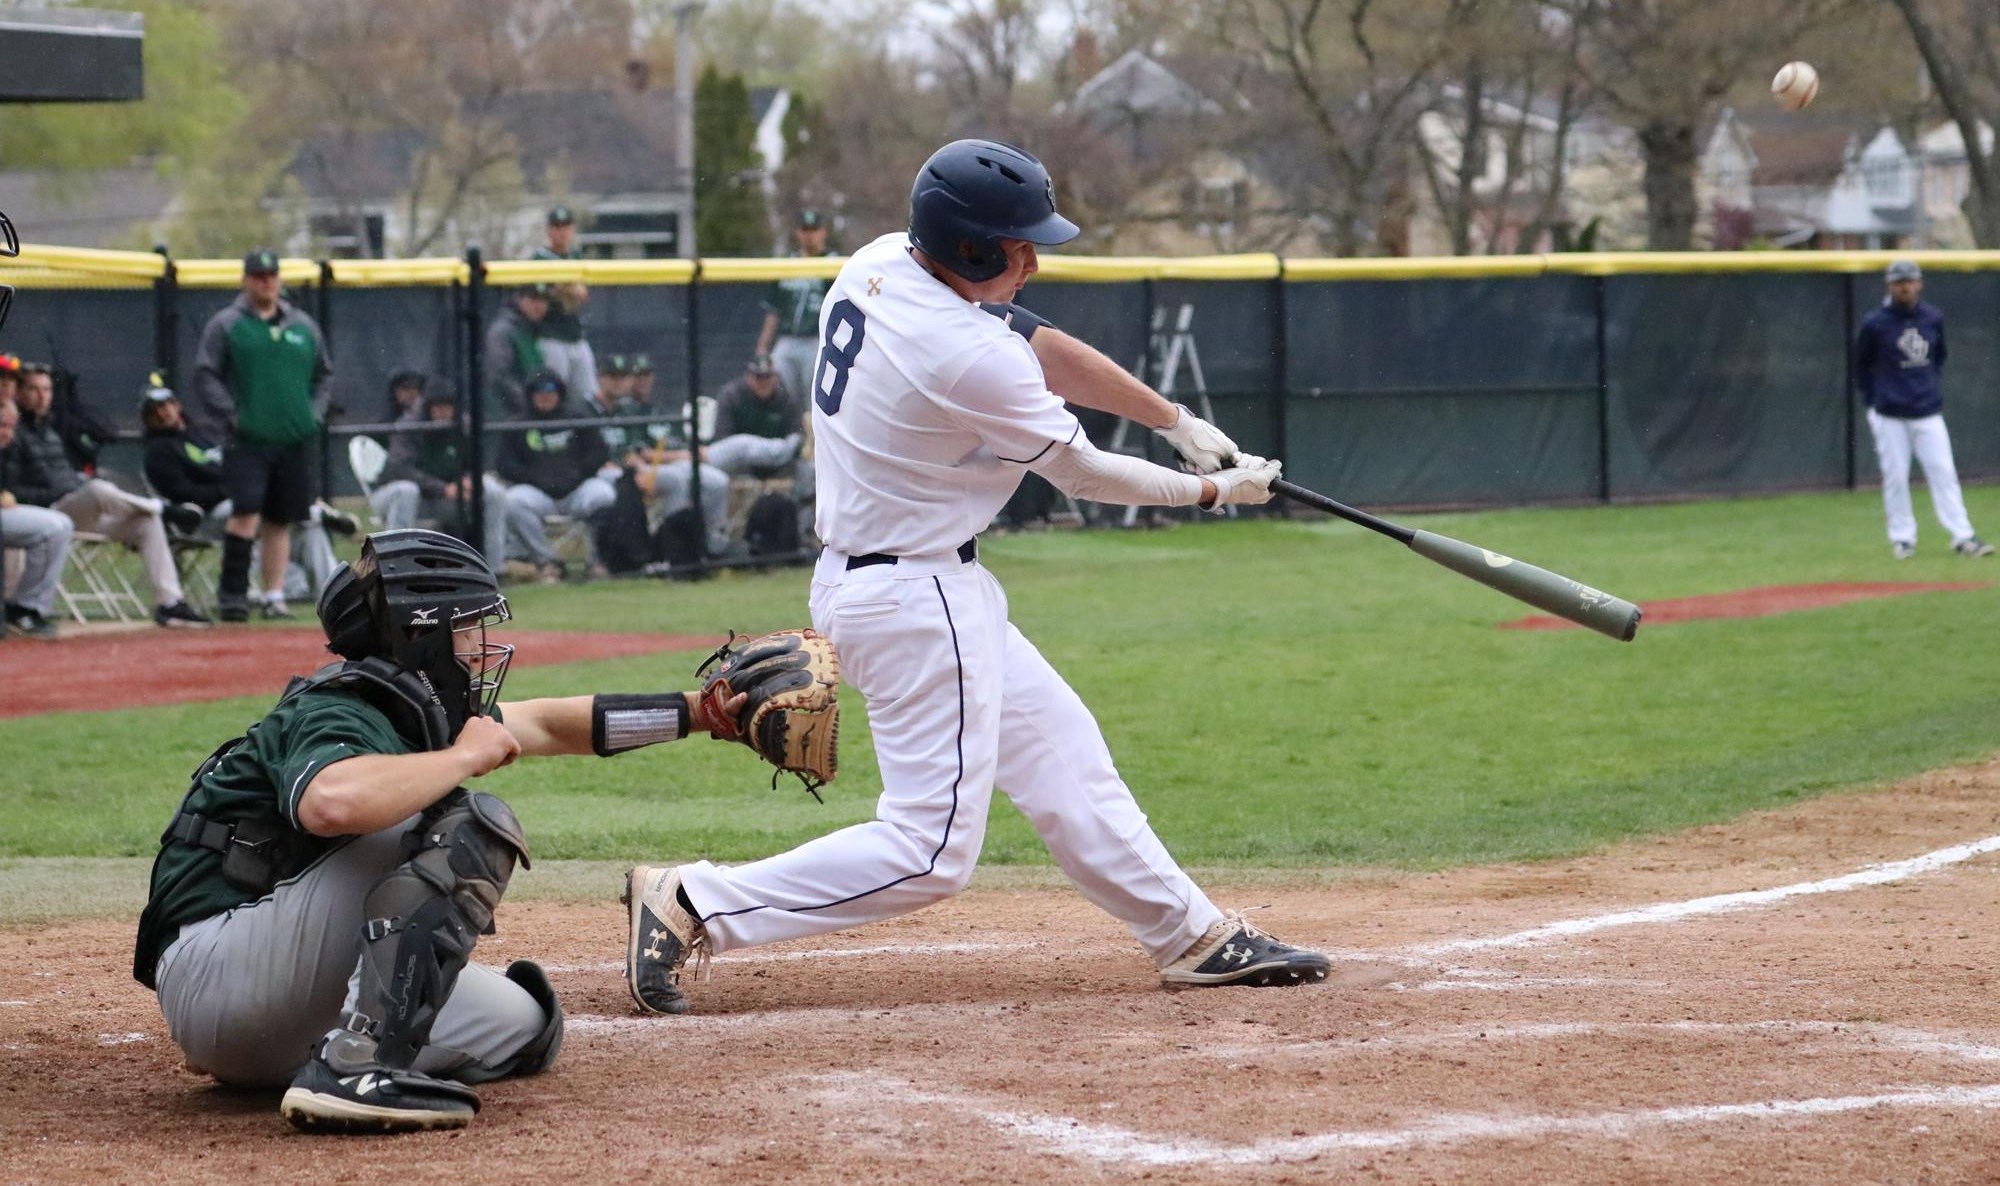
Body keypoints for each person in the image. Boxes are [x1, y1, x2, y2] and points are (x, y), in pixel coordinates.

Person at [622, 139, 1320, 1017]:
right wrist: (1216, 490)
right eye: (1017, 246)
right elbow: (1088, 476)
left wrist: (1173, 417)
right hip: (915, 598)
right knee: (930, 851)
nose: (1032, 261)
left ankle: (1192, 935)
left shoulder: (883, 259)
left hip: (907, 580)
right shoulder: (961, 354)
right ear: (970, 249)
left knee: (1066, 757)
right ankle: (693, 901)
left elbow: (1041, 345)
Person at [132, 528, 753, 1133]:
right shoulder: (337, 709)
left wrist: (708, 712)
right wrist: (463, 760)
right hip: (225, 967)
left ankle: (313, 1054)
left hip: (262, 1007)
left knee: (530, 1024)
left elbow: (548, 725)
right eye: (466, 627)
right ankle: (357, 1068)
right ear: (419, 634)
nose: (483, 646)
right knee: (469, 823)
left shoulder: (412, 710)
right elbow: (330, 802)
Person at [193, 248, 336, 621]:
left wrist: (312, 416)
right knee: (245, 513)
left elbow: (324, 375)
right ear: (246, 280)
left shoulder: (302, 326)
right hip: (247, 441)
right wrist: (232, 415)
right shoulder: (228, 324)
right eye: (258, 276)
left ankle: (275, 596)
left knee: (280, 519)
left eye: (271, 276)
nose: (266, 282)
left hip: (292, 438)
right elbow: (206, 374)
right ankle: (233, 596)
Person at [10, 366, 208, 628]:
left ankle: (170, 604)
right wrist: (65, 491)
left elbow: (103, 433)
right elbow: (13, 492)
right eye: (33, 389)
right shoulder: (11, 434)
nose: (42, 396)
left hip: (75, 513)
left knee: (145, 521)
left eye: (46, 389)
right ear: (19, 393)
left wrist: (75, 484)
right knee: (98, 490)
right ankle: (163, 508)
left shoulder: (51, 432)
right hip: (46, 514)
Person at [140, 381, 353, 601]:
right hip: (204, 517)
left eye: (165, 405)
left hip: (241, 502)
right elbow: (183, 492)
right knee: (255, 508)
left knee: (309, 525)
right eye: (153, 411)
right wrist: (230, 490)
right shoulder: (158, 453)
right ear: (146, 419)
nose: (162, 413)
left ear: (177, 405)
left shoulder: (205, 433)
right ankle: (314, 515)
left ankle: (335, 593)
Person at [1856, 260, 1992, 559]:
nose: (1904, 286)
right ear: (1889, 285)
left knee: (1944, 472)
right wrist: (1875, 402)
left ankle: (1963, 535)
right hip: (1889, 414)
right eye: (1898, 281)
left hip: (1927, 411)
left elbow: (1938, 358)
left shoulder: (1932, 318)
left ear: (1919, 283)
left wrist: (1926, 390)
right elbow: (1861, 366)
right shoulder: (1875, 323)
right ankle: (1903, 539)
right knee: (1896, 477)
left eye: (1909, 281)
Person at [495, 372, 615, 581]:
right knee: (513, 501)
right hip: (538, 492)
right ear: (530, 395)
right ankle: (546, 561)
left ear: (559, 393)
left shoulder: (577, 418)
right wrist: (535, 478)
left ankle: (597, 561)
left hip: (577, 489)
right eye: (539, 392)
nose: (545, 396)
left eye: (551, 391)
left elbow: (599, 452)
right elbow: (505, 465)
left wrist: (577, 473)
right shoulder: (517, 424)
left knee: (604, 495)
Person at [370, 387, 508, 564]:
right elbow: (400, 469)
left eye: (448, 407)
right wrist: (442, 488)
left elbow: (474, 461)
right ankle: (395, 566)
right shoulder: (409, 426)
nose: (443, 412)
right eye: (438, 407)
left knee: (493, 491)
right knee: (407, 490)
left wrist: (468, 478)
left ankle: (492, 567)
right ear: (428, 407)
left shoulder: (463, 425)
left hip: (447, 500)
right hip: (396, 497)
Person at [0, 399, 74, 640]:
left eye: (11, 426)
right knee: (52, 528)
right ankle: (24, 608)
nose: (7, 433)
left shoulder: (6, 448)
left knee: (60, 524)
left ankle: (26, 608)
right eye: (2, 425)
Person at [755, 209, 837, 407]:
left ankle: (812, 434)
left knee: (816, 393)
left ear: (823, 232)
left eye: (814, 230)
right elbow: (774, 310)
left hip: (817, 340)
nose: (810, 235)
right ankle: (794, 433)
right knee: (783, 392)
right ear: (798, 233)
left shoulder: (833, 264)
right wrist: (763, 346)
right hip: (787, 339)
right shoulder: (787, 264)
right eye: (805, 230)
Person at [708, 353, 809, 494]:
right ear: (748, 377)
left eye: (767, 377)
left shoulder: (785, 398)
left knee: (808, 471)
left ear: (775, 377)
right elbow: (723, 441)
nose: (763, 382)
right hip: (742, 465)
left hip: (778, 465)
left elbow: (797, 438)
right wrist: (752, 449)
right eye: (758, 377)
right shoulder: (732, 395)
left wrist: (774, 453)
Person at [531, 206, 597, 404]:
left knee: (589, 394)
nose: (561, 232)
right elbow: (539, 293)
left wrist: (570, 290)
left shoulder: (575, 255)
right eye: (556, 227)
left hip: (574, 333)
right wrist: (564, 289)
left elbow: (583, 294)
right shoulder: (539, 257)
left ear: (572, 229)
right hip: (550, 334)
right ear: (549, 230)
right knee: (555, 391)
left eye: (565, 226)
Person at [483, 285, 552, 412]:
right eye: (533, 299)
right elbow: (500, 377)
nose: (539, 306)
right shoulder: (504, 331)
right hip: (505, 413)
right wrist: (529, 403)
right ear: (518, 299)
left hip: (526, 411)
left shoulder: (531, 329)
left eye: (543, 300)